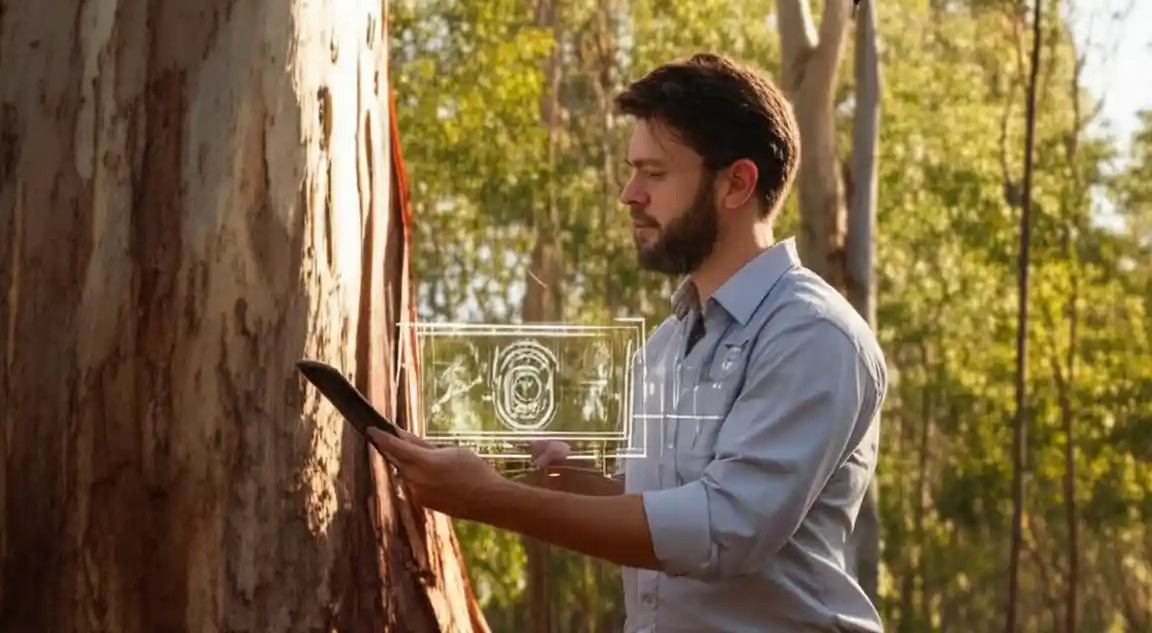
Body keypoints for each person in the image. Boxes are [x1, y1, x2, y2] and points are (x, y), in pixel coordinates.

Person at [368, 52, 887, 632]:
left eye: (655, 173)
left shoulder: (811, 336)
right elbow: (673, 506)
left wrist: (489, 500)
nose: (629, 193)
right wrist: (576, 479)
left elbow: (722, 527)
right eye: (632, 169)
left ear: (737, 183)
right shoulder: (665, 347)